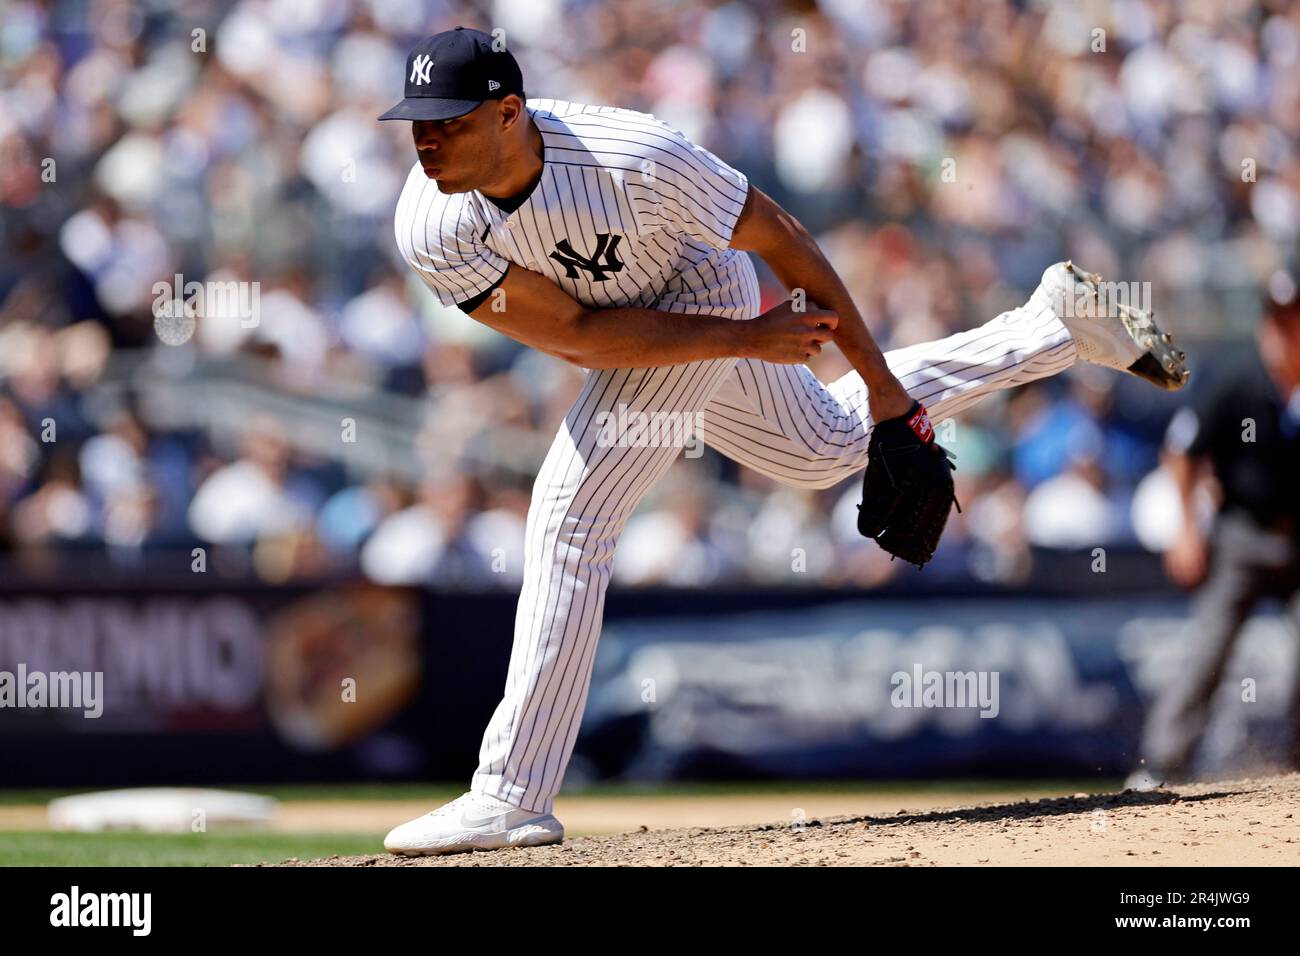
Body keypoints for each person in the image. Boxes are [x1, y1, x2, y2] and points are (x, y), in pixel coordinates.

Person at [377, 27, 1189, 855]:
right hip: (665, 328)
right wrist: (745, 344)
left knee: (567, 516)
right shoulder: (429, 224)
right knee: (826, 448)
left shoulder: (635, 156)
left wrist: (880, 387)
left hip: (707, 287)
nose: (428, 138)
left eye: (450, 119)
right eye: (418, 123)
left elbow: (784, 239)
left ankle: (512, 794)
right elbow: (582, 334)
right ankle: (1052, 327)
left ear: (510, 113)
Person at [1127, 273, 1300, 791]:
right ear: (1266, 325)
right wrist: (1186, 530)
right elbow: (1182, 451)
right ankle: (1162, 766)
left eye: (1294, 321)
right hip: (1243, 535)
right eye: (1278, 321)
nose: (1285, 332)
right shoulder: (1237, 377)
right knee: (1208, 648)